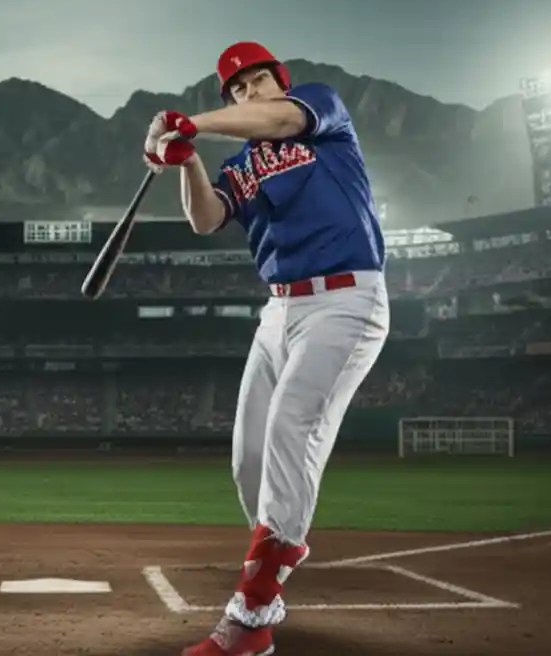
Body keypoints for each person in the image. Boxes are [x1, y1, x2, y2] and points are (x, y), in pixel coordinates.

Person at [143, 41, 390, 655]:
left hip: (345, 298)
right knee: (249, 456)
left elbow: (278, 121)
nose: (249, 92)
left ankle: (251, 615)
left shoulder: (318, 108)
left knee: (289, 428)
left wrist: (192, 123)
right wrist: (188, 161)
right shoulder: (243, 164)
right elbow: (205, 219)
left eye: (257, 80)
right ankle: (273, 567)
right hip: (279, 309)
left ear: (280, 80)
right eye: (238, 89)